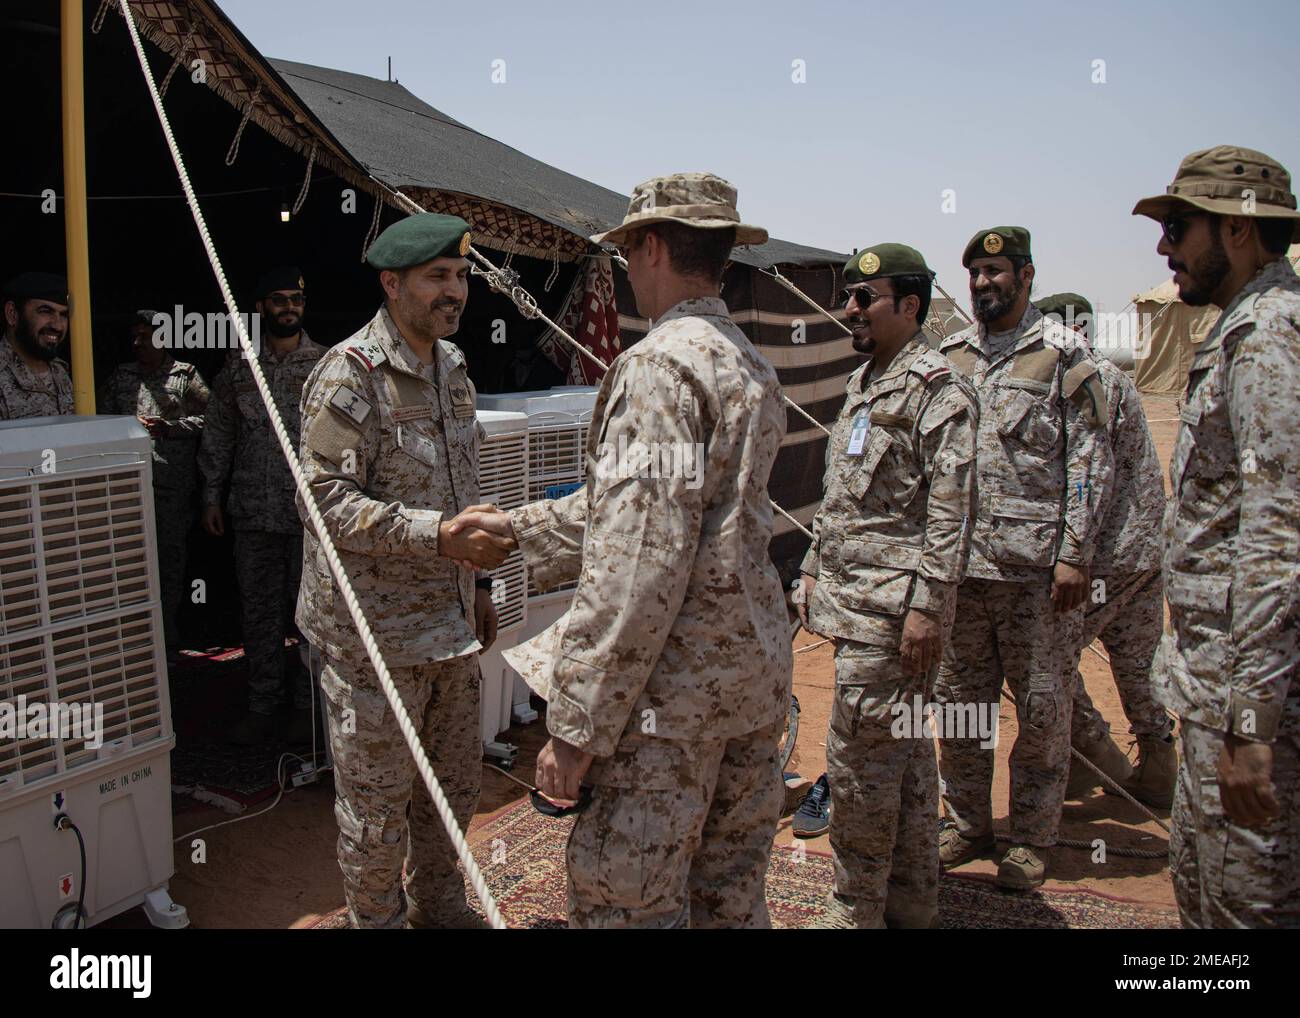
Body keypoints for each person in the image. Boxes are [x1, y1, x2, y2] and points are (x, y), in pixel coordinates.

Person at [454, 173, 793, 928]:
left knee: (623, 903)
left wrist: (577, 729)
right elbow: (643, 510)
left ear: (652, 246)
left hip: (668, 706)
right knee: (728, 898)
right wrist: (517, 531)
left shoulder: (659, 369)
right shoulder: (746, 361)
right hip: (746, 683)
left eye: (628, 252)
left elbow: (638, 568)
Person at [295, 213, 507, 929]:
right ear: (392, 284)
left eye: (462, 277)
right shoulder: (349, 375)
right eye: (437, 278)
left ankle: (441, 910)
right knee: (377, 811)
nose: (456, 292)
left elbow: (464, 481)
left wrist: (476, 585)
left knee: (452, 791)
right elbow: (321, 502)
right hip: (374, 641)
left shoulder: (453, 368)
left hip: (448, 628)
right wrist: (438, 538)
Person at [1133, 145, 1300, 927]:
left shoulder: (1269, 338)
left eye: (1178, 226)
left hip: (1249, 698)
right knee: (1205, 891)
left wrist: (1250, 721)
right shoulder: (1237, 332)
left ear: (1236, 230)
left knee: (1245, 905)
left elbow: (1279, 540)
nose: (1165, 246)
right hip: (1213, 683)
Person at [797, 244, 977, 928]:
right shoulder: (868, 382)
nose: (850, 308)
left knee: (859, 769)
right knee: (901, 766)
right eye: (849, 296)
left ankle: (854, 911)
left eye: (864, 297)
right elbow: (842, 496)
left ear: (908, 306)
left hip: (893, 618)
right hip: (858, 610)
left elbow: (951, 513)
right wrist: (814, 566)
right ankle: (909, 904)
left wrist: (928, 611)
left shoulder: (939, 392)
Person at [933, 227, 1113, 890]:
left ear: (1027, 276)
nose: (984, 283)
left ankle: (1032, 838)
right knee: (960, 707)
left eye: (997, 271)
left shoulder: (1063, 356)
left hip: (1035, 576)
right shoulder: (950, 356)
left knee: (1041, 709)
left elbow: (1091, 461)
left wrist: (1075, 554)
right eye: (976, 273)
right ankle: (967, 824)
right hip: (960, 573)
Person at [1034, 293, 1175, 808]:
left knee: (1043, 653)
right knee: (1138, 662)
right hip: (1141, 549)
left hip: (1106, 556)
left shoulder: (1086, 382)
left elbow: (1085, 478)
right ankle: (1159, 764)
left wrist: (1069, 553)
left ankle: (1093, 756)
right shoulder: (1113, 378)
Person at [197, 267, 325, 743]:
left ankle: (307, 708)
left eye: (296, 299)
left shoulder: (326, 364)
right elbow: (219, 432)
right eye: (279, 299)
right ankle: (262, 704)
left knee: (311, 614)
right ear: (260, 307)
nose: (289, 307)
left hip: (308, 517)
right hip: (252, 512)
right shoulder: (239, 367)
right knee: (259, 613)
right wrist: (211, 493)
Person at [99, 310, 210, 655]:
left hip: (170, 486)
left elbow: (213, 419)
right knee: (128, 557)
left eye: (145, 336)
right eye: (134, 337)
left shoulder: (184, 375)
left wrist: (169, 428)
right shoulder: (122, 376)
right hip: (126, 484)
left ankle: (166, 628)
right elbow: (96, 415)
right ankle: (131, 631)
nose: (138, 344)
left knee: (169, 557)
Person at [0, 272, 73, 419]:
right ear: (12, 314)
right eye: (45, 311)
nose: (58, 326)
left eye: (64, 315)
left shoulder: (61, 370)